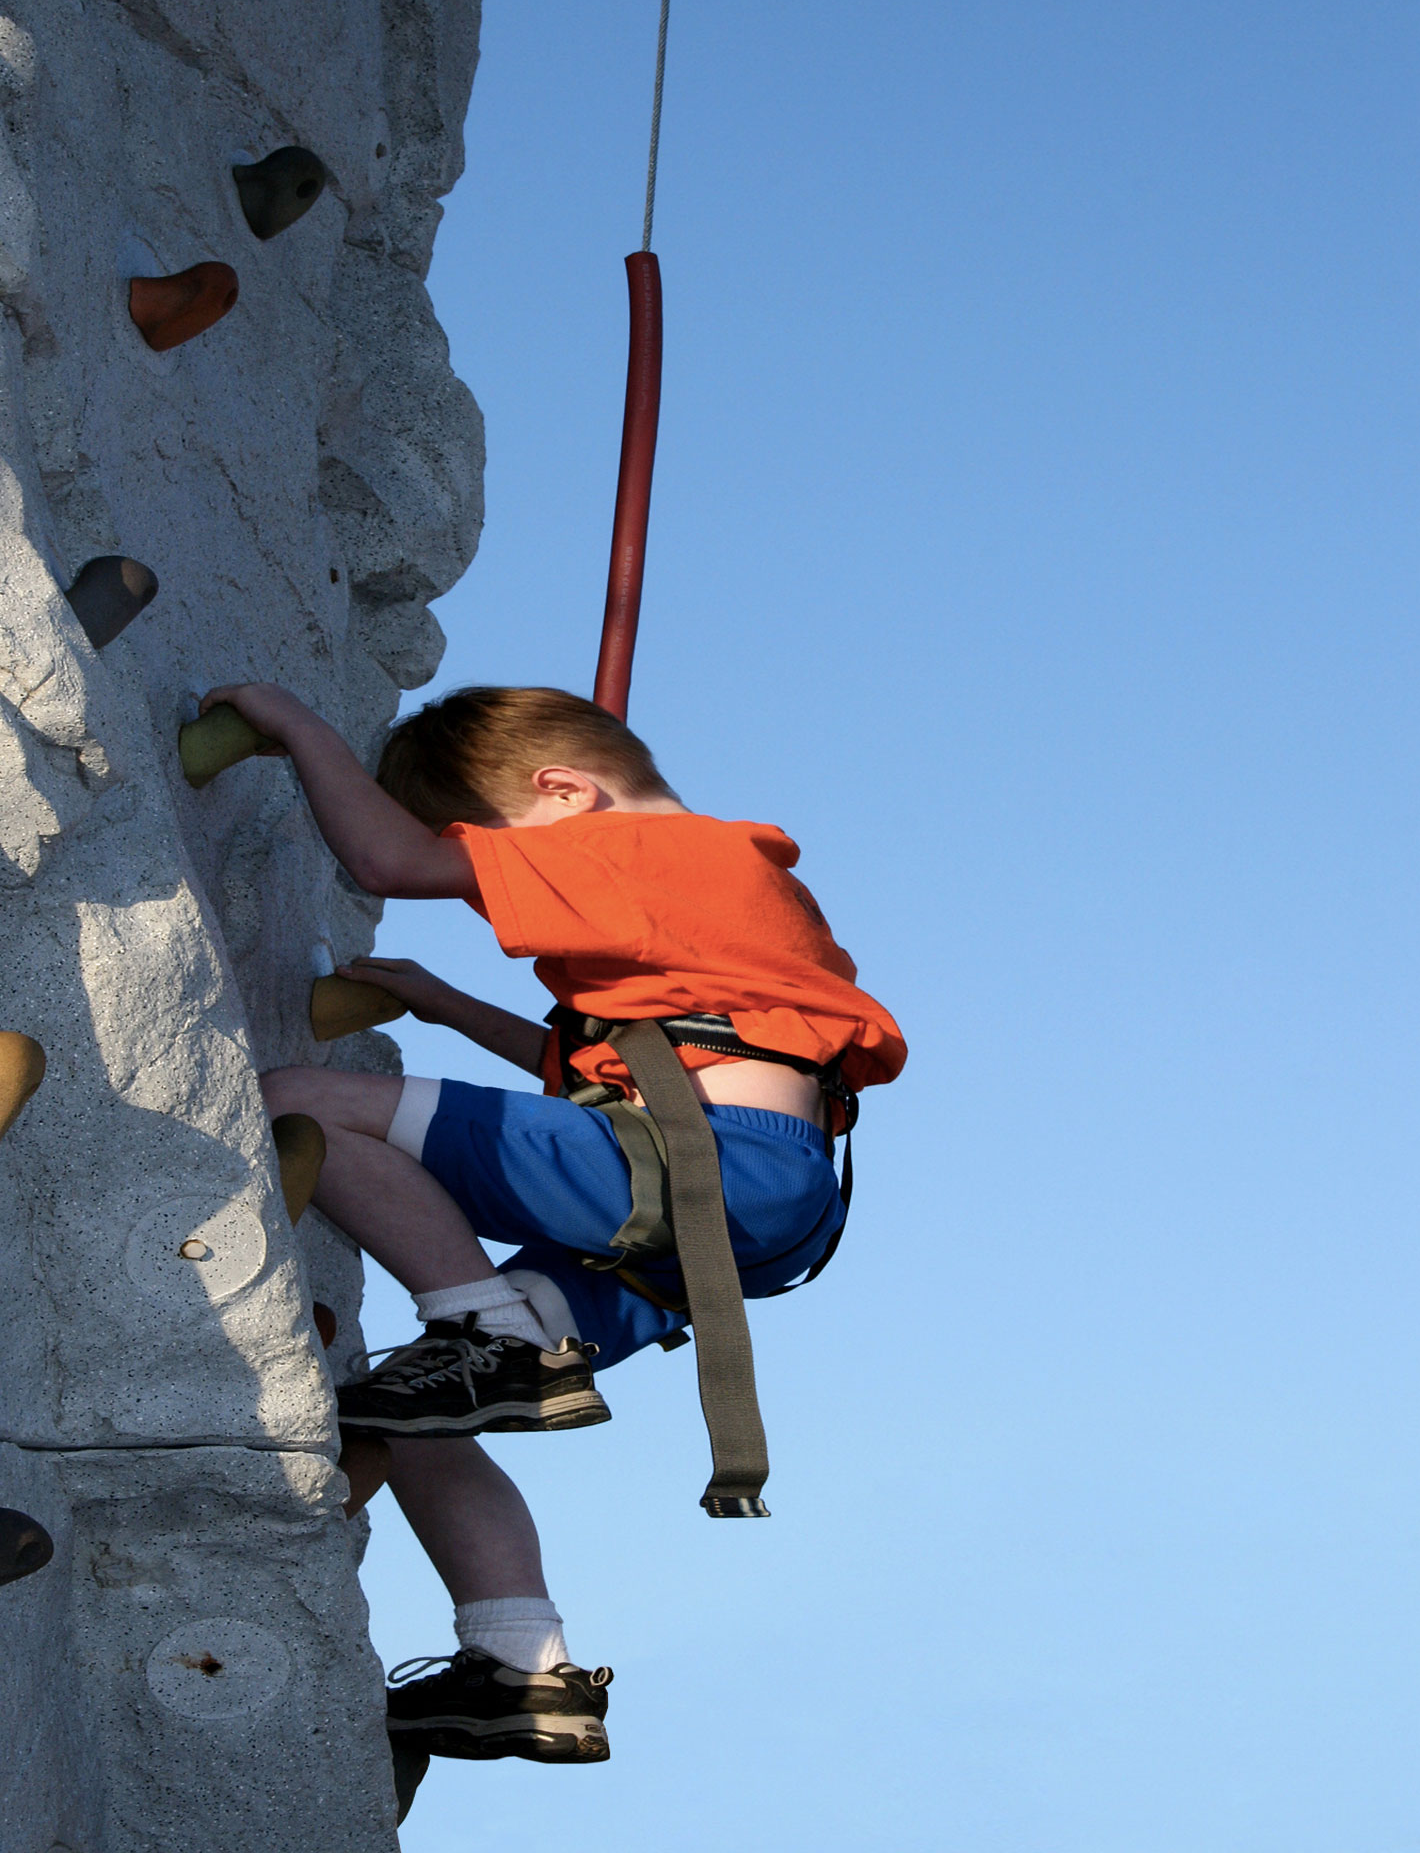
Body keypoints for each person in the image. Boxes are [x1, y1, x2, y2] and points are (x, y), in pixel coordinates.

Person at [201, 680, 907, 1768]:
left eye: (490, 848)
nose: (493, 881)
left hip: (706, 1164)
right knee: (422, 1406)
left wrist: (296, 728)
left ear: (567, 792)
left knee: (300, 1101)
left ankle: (491, 1328)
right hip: (736, 1204)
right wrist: (444, 1002)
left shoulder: (650, 848)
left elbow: (387, 862)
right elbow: (597, 1073)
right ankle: (519, 1665)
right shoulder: (712, 903)